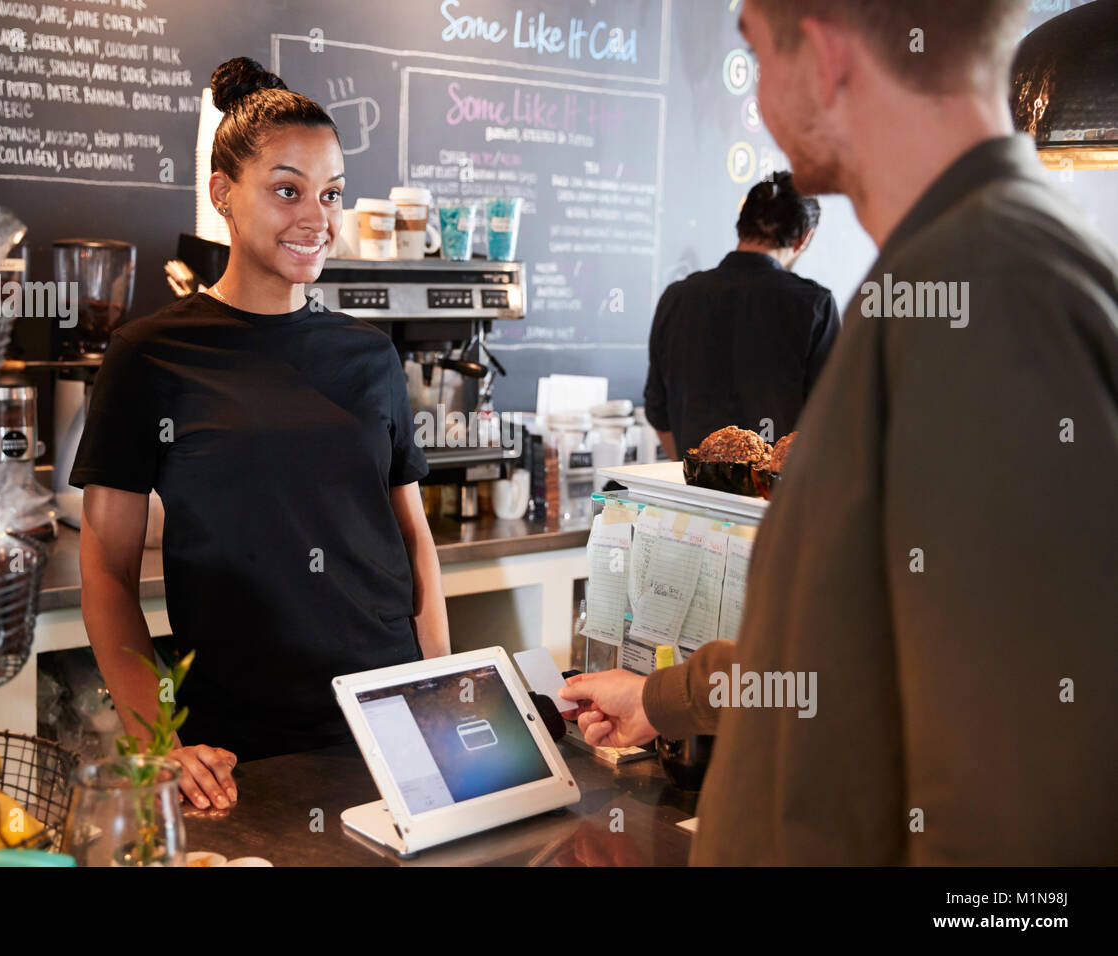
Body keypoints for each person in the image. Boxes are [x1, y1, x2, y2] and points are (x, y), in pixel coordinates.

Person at [563, 0, 1118, 864]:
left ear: (820, 57)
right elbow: (843, 655)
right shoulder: (940, 278)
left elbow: (1025, 809)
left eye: (754, 53)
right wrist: (661, 699)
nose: (758, 101)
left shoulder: (988, 297)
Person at [71, 57, 450, 810]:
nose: (317, 217)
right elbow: (106, 574)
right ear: (223, 195)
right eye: (287, 190)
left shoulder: (372, 355)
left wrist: (434, 695)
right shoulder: (149, 355)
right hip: (234, 747)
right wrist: (161, 745)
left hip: (386, 722)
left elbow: (413, 542)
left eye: (331, 193)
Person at [644, 171, 840, 458]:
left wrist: (693, 474)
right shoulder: (814, 304)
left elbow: (658, 411)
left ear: (741, 225)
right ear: (803, 238)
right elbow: (831, 418)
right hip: (774, 498)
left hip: (691, 495)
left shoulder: (677, 297)